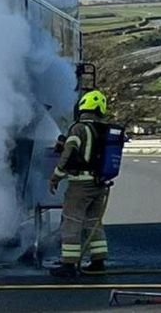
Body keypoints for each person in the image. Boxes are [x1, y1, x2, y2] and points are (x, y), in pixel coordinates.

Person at [47, 89, 111, 277]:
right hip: (99, 183)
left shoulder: (79, 128)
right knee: (94, 222)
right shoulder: (103, 129)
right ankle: (98, 261)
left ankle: (69, 264)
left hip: (80, 185)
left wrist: (55, 177)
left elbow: (69, 154)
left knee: (71, 222)